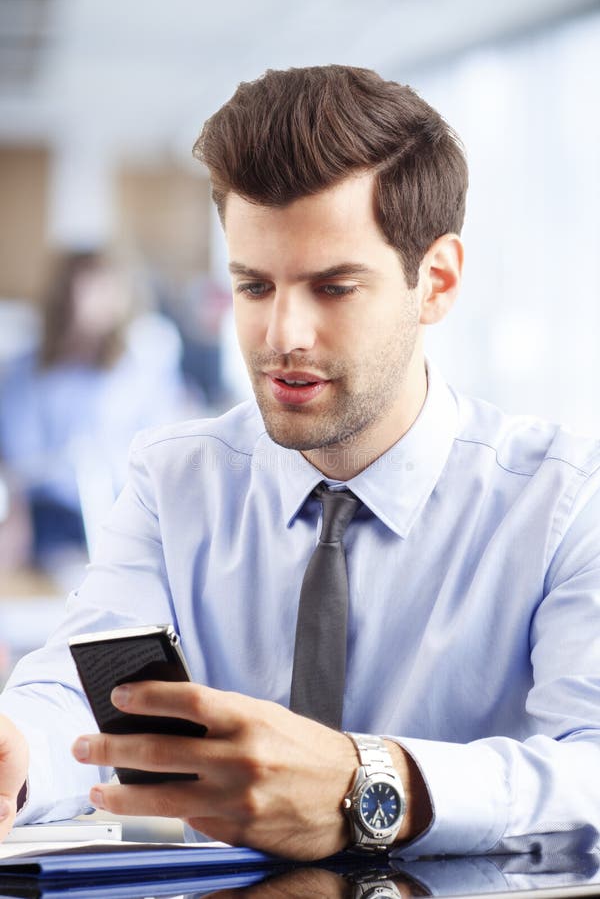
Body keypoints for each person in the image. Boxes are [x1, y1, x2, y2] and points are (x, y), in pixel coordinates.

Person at [0, 65, 599, 860]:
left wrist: (372, 783)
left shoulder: (563, 500)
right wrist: (21, 756)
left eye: (334, 287)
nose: (283, 335)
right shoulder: (174, 480)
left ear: (437, 282)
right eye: (254, 287)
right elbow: (95, 694)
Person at [0, 250, 189, 572]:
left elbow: (163, 445)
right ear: (62, 299)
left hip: (124, 510)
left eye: (103, 290)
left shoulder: (141, 371)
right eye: (83, 291)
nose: (93, 304)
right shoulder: (25, 374)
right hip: (50, 517)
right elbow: (21, 459)